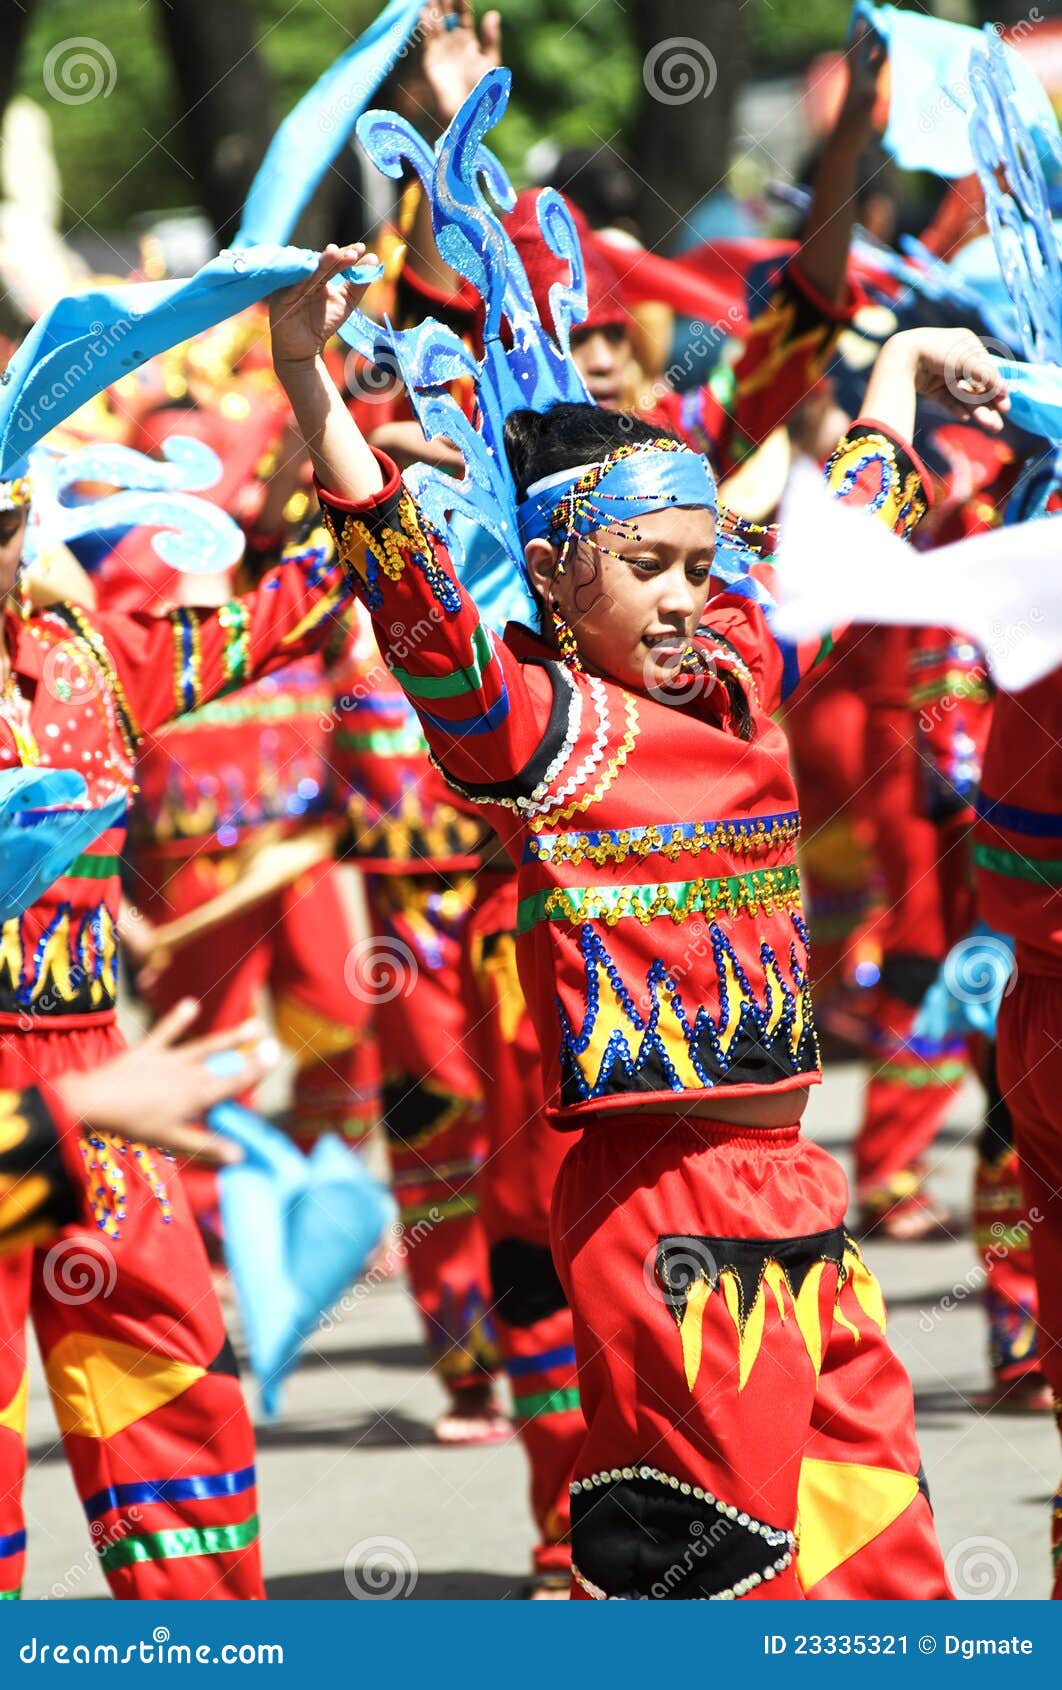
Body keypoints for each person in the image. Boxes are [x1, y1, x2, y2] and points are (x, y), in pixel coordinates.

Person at [268, 243, 1008, 1597]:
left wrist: (897, 369)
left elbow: (850, 531)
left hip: (797, 1194)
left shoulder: (739, 669)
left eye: (696, 560)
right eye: (644, 565)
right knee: (715, 1576)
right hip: (657, 1206)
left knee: (885, 1567)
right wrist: (307, 383)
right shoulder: (537, 732)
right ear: (551, 574)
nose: (682, 593)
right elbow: (414, 604)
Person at [0, 463, 349, 1600]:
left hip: (105, 1071)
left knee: (179, 1404)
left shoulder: (88, 660)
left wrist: (324, 408)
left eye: (5, 522)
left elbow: (291, 612)